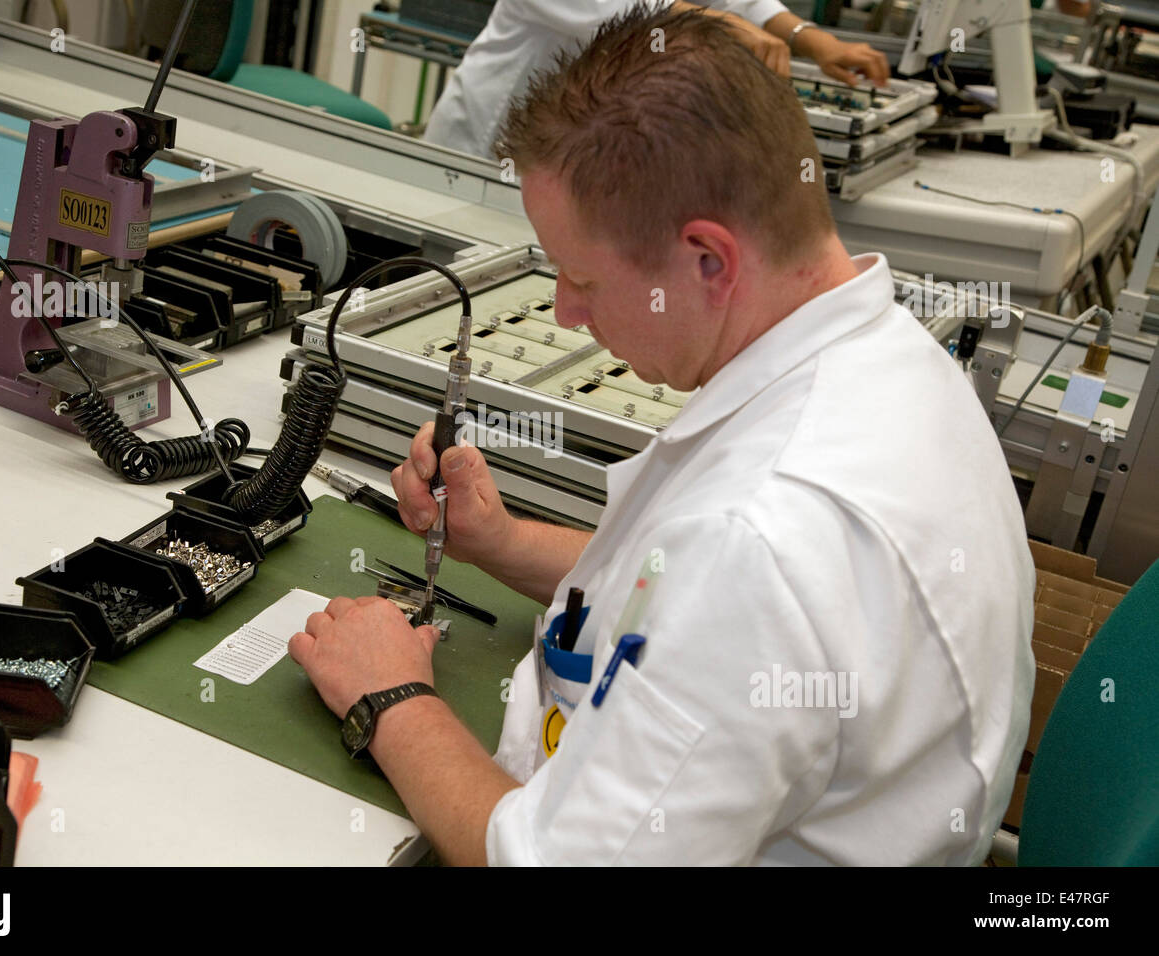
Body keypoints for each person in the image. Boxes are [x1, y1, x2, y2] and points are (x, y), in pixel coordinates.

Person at [289, 3, 1034, 866]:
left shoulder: (765, 537)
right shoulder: (877, 355)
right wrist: (499, 541)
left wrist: (392, 698)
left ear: (708, 262)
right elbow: (675, 604)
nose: (567, 312)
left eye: (582, 277)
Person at [425, 0, 890, 158]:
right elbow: (611, 9)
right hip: (493, 136)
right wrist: (711, 21)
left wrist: (809, 38)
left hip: (586, 136)